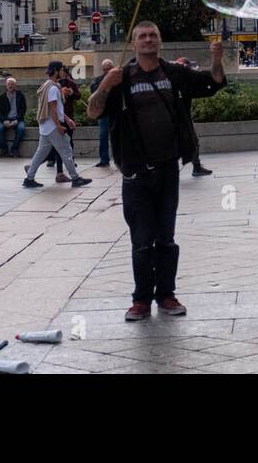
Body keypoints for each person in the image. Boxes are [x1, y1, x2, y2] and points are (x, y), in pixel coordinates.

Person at [87, 21, 225, 321]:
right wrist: (104, 85)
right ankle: (140, 300)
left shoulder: (174, 74)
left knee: (166, 239)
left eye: (153, 36)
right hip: (135, 173)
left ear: (160, 42)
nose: (148, 40)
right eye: (142, 36)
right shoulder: (120, 78)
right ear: (133, 43)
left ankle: (166, 294)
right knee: (141, 241)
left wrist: (216, 59)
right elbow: (93, 110)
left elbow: (212, 84)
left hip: (167, 169)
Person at [23, 61, 90, 188]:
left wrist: (67, 119)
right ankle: (75, 178)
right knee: (66, 150)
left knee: (41, 153)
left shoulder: (48, 85)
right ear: (55, 70)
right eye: (60, 70)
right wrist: (59, 126)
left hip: (46, 127)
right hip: (53, 127)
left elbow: (56, 109)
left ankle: (29, 178)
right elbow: (53, 109)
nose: (62, 72)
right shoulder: (53, 88)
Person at [174, 56, 213, 176]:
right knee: (186, 142)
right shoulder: (175, 80)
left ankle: (196, 166)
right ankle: (194, 166)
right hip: (177, 118)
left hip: (183, 116)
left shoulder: (182, 80)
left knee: (192, 141)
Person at [89, 61, 114, 167]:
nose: (106, 71)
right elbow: (93, 90)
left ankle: (120, 158)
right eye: (104, 69)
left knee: (117, 136)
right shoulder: (99, 79)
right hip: (103, 113)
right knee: (103, 135)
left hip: (114, 112)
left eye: (108, 68)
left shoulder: (117, 79)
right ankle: (104, 159)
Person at [0, 76, 27, 158]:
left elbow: (23, 110)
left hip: (17, 119)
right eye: (9, 84)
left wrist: (17, 120)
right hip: (5, 119)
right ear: (6, 86)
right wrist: (4, 121)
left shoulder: (20, 95)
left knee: (21, 129)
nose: (10, 86)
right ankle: (4, 150)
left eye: (12, 84)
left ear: (15, 86)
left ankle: (14, 149)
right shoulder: (1, 97)